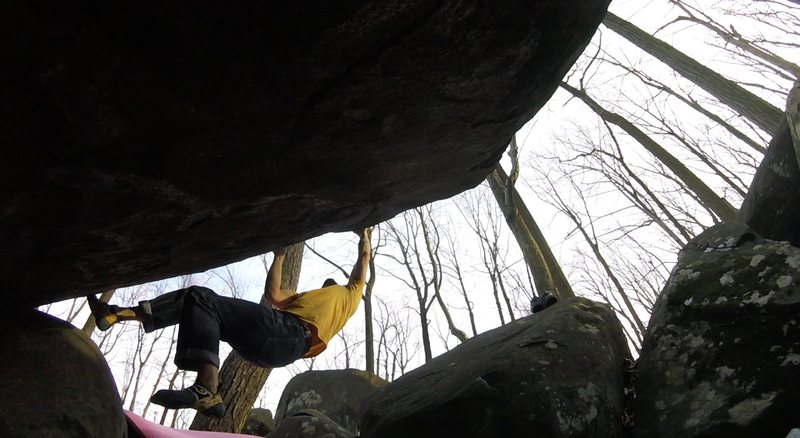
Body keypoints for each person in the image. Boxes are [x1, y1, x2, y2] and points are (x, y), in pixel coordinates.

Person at [87, 228, 371, 418]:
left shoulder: (350, 292)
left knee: (203, 298)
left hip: (289, 334)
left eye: (329, 283)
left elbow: (364, 259)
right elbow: (272, 294)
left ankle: (208, 387)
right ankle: (119, 313)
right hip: (269, 346)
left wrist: (365, 233)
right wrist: (279, 257)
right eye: (325, 283)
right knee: (196, 301)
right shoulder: (301, 298)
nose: (327, 284)